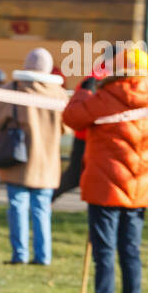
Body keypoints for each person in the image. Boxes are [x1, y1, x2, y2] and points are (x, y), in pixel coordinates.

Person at [62, 46, 148, 293]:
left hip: (104, 189)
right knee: (130, 253)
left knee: (105, 254)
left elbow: (72, 117)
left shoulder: (104, 98)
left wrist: (84, 89)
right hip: (138, 190)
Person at [0, 48, 68, 265]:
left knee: (18, 206)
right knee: (42, 208)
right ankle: (43, 256)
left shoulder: (14, 90)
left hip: (19, 162)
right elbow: (68, 126)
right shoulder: (59, 94)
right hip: (47, 162)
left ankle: (20, 254)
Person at [53, 62, 102, 201]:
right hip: (86, 137)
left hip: (90, 136)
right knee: (74, 176)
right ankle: (47, 199)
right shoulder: (96, 79)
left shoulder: (100, 76)